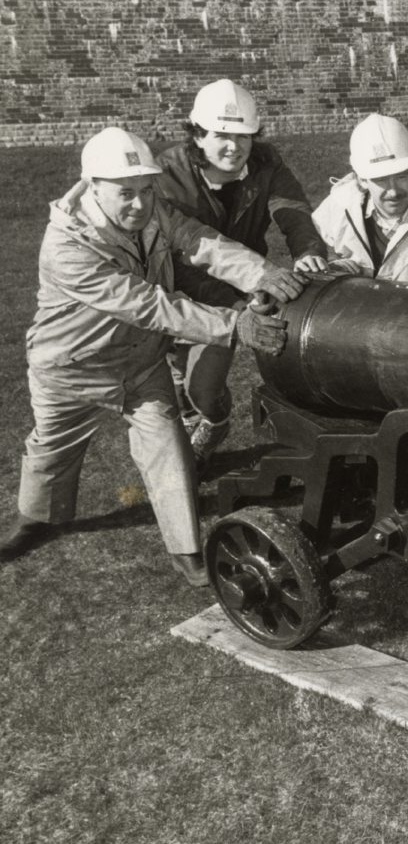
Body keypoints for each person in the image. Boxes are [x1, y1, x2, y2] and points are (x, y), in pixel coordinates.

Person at [1, 127, 305, 585]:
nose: (140, 205)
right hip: (71, 369)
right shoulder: (66, 246)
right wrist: (232, 323)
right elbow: (147, 304)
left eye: (146, 190)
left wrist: (261, 274)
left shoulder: (153, 213)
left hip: (141, 365)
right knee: (51, 451)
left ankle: (187, 552)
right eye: (126, 193)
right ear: (92, 188)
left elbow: (202, 242)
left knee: (169, 449)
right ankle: (36, 519)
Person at [154, 79, 328, 467]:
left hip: (239, 294)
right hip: (180, 289)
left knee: (202, 387)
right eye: (222, 135)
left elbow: (292, 210)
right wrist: (249, 288)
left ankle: (213, 421)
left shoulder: (267, 163)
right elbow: (187, 245)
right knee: (173, 378)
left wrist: (308, 252)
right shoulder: (166, 176)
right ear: (197, 135)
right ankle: (192, 438)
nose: (234, 146)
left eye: (244, 136)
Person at [313, 113, 408, 284]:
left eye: (401, 177)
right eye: (381, 180)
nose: (393, 191)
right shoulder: (339, 204)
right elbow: (315, 249)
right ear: (362, 180)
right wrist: (334, 265)